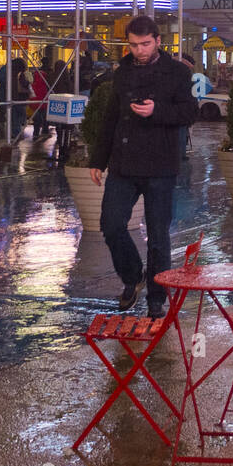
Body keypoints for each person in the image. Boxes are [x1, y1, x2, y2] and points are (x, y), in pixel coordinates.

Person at [89, 16, 197, 317]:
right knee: (111, 225)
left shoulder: (176, 72)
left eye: (145, 44)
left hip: (160, 165)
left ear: (158, 41)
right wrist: (98, 159)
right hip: (123, 165)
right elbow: (111, 116)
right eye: (134, 45)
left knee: (158, 236)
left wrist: (156, 111)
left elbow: (189, 112)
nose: (139, 50)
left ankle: (156, 298)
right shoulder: (122, 72)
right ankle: (132, 276)